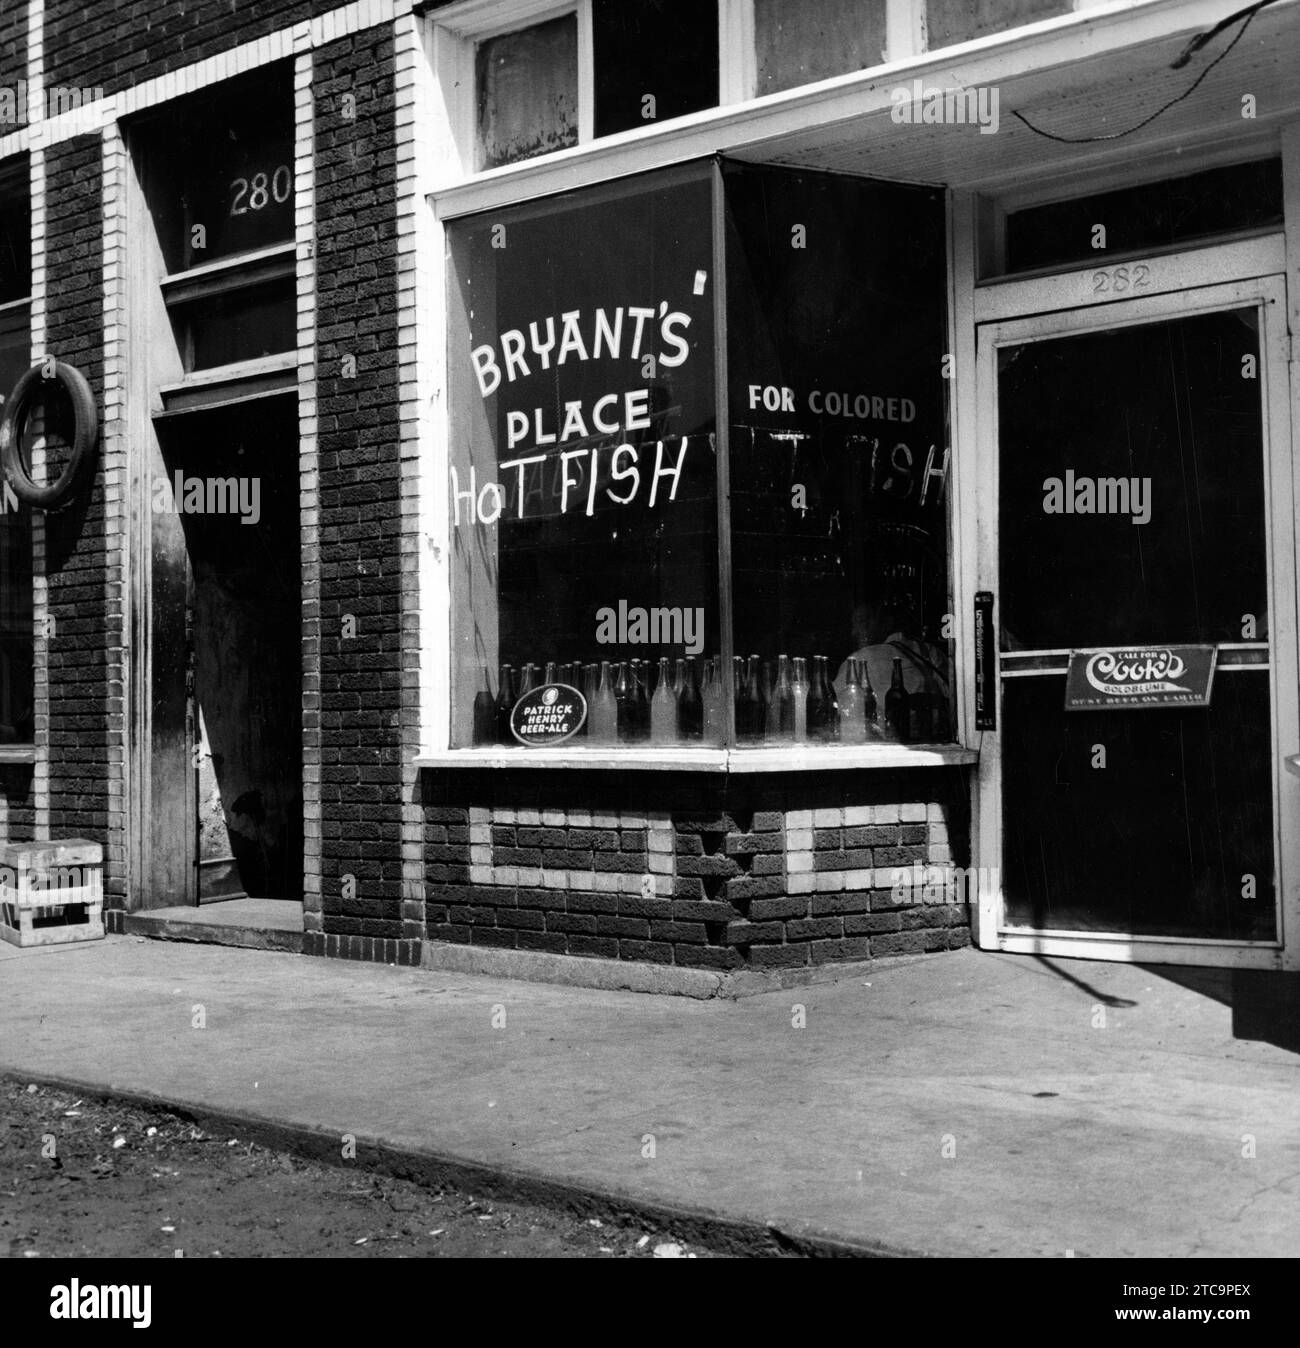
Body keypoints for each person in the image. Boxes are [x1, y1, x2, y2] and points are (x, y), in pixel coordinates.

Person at [834, 597, 948, 708]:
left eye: (863, 622)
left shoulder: (857, 661)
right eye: (855, 624)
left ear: (887, 623)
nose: (854, 632)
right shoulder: (930, 652)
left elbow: (834, 704)